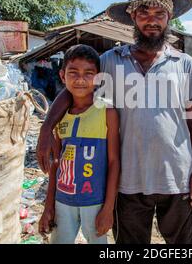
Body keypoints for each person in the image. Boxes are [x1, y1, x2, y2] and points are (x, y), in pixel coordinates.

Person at [37, 0, 192, 244]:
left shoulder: (184, 63)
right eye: (144, 12)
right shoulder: (109, 62)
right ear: (132, 18)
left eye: (159, 12)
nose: (152, 19)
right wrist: (47, 128)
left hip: (178, 178)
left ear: (169, 18)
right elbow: (74, 92)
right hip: (126, 182)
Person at [38, 44, 120, 244]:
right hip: (63, 201)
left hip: (95, 202)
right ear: (62, 75)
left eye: (88, 73)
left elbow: (114, 162)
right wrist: (49, 205)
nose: (81, 79)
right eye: (73, 73)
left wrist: (108, 208)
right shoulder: (59, 117)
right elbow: (56, 162)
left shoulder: (106, 112)